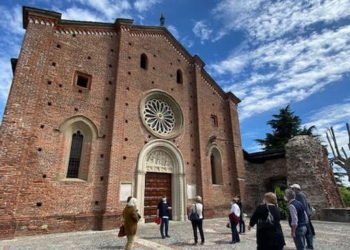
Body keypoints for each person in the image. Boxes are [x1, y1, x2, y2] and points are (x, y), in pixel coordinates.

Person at [291, 184, 314, 249]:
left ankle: (308, 245)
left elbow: (301, 206)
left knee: (306, 232)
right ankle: (310, 245)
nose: (292, 190)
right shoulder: (302, 194)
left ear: (297, 189)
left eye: (293, 188)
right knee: (308, 231)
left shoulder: (299, 195)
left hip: (304, 216)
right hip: (306, 215)